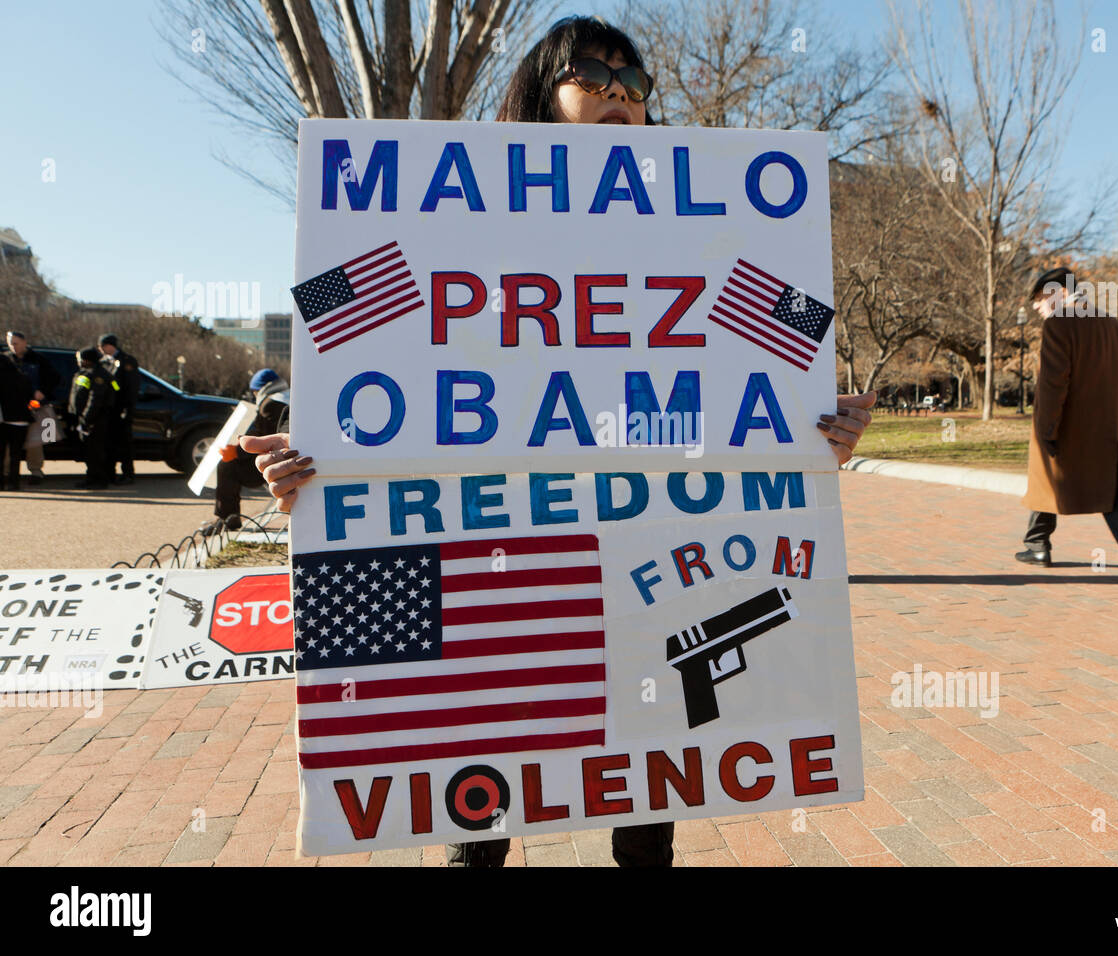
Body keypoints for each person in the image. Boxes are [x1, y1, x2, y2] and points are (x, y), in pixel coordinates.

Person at [243, 15, 877, 867]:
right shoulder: (447, 212)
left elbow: (789, 334)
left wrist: (814, 426)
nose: (620, 92)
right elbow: (335, 317)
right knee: (481, 823)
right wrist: (314, 454)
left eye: (635, 82)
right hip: (495, 552)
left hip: (654, 542)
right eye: (593, 73)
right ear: (543, 91)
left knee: (654, 796)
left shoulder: (707, 221)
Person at [1016, 267, 1118, 584]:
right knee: (1074, 482)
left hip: (1070, 426)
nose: (1037, 307)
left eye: (1041, 298)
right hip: (1109, 427)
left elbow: (1053, 383)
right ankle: (1037, 544)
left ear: (1060, 293)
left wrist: (1045, 428)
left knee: (1106, 492)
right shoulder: (1112, 324)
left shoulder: (1060, 324)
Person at [202, 368, 289, 536]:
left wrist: (236, 453)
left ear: (259, 389)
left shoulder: (270, 404)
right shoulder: (287, 396)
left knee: (227, 466)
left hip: (277, 464)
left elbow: (267, 440)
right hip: (290, 460)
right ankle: (229, 517)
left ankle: (227, 518)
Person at [4, 331, 60, 484]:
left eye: (15, 343)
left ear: (24, 342)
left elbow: (55, 378)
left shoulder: (38, 359)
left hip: (34, 407)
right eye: (10, 343)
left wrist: (43, 392)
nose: (13, 346)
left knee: (34, 441)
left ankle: (35, 471)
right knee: (8, 443)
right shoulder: (6, 359)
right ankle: (6, 472)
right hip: (11, 407)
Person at [68, 347, 120, 490]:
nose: (78, 361)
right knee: (90, 452)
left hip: (95, 420)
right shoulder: (86, 373)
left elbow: (95, 400)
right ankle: (91, 478)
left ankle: (99, 480)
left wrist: (86, 420)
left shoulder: (98, 375)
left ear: (87, 360)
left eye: (80, 358)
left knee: (95, 451)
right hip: (88, 418)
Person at [98, 333, 140, 485]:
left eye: (102, 346)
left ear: (109, 346)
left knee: (125, 444)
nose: (101, 350)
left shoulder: (126, 361)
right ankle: (110, 473)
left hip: (122, 408)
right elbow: (114, 385)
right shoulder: (104, 361)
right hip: (110, 409)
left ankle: (127, 473)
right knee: (110, 443)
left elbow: (131, 387)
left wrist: (127, 408)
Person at [0, 346, 34, 492]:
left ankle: (1, 482)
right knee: (16, 453)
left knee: (1, 454)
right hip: (21, 420)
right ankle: (15, 482)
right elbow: (29, 396)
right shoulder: (21, 377)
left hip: (3, 420)